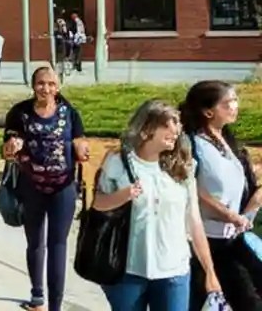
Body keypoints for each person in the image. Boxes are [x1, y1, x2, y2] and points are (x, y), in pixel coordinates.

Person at [93, 100, 222, 310]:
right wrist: (123, 195)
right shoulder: (118, 161)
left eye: (177, 123)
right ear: (145, 129)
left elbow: (194, 222)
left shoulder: (183, 167)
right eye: (167, 125)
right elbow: (98, 204)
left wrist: (209, 271)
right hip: (127, 271)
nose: (176, 130)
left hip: (174, 272)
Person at [2, 65, 90, 311]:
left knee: (58, 244)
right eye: (41, 83)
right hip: (31, 187)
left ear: (58, 87)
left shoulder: (69, 112)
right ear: (33, 86)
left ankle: (55, 306)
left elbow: (79, 139)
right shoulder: (20, 112)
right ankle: (37, 296)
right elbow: (9, 144)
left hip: (63, 186)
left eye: (51, 84)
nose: (46, 88)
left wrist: (81, 149)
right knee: (35, 242)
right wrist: (12, 146)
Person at [181, 81, 262, 311]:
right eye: (228, 103)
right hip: (204, 240)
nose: (235, 106)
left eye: (235, 101)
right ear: (208, 112)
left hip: (233, 238)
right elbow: (192, 189)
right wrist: (226, 213)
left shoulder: (228, 142)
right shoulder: (192, 144)